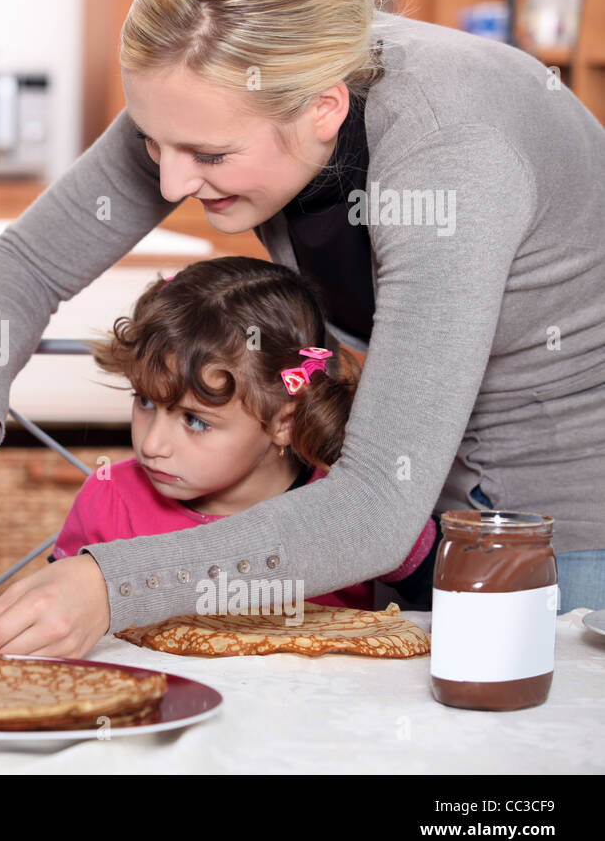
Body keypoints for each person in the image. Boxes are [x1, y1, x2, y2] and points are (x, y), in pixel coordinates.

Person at [0, 0, 605, 656]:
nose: (170, 179)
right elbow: (26, 263)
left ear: (326, 109)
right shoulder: (216, 93)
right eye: (154, 142)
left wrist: (113, 584)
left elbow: (375, 512)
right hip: (409, 516)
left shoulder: (452, 154)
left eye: (208, 155)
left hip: (564, 530)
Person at [50, 257, 435, 609]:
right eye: (145, 402)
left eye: (195, 421)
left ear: (284, 422)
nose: (151, 445)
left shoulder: (351, 509)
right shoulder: (109, 499)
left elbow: (456, 603)